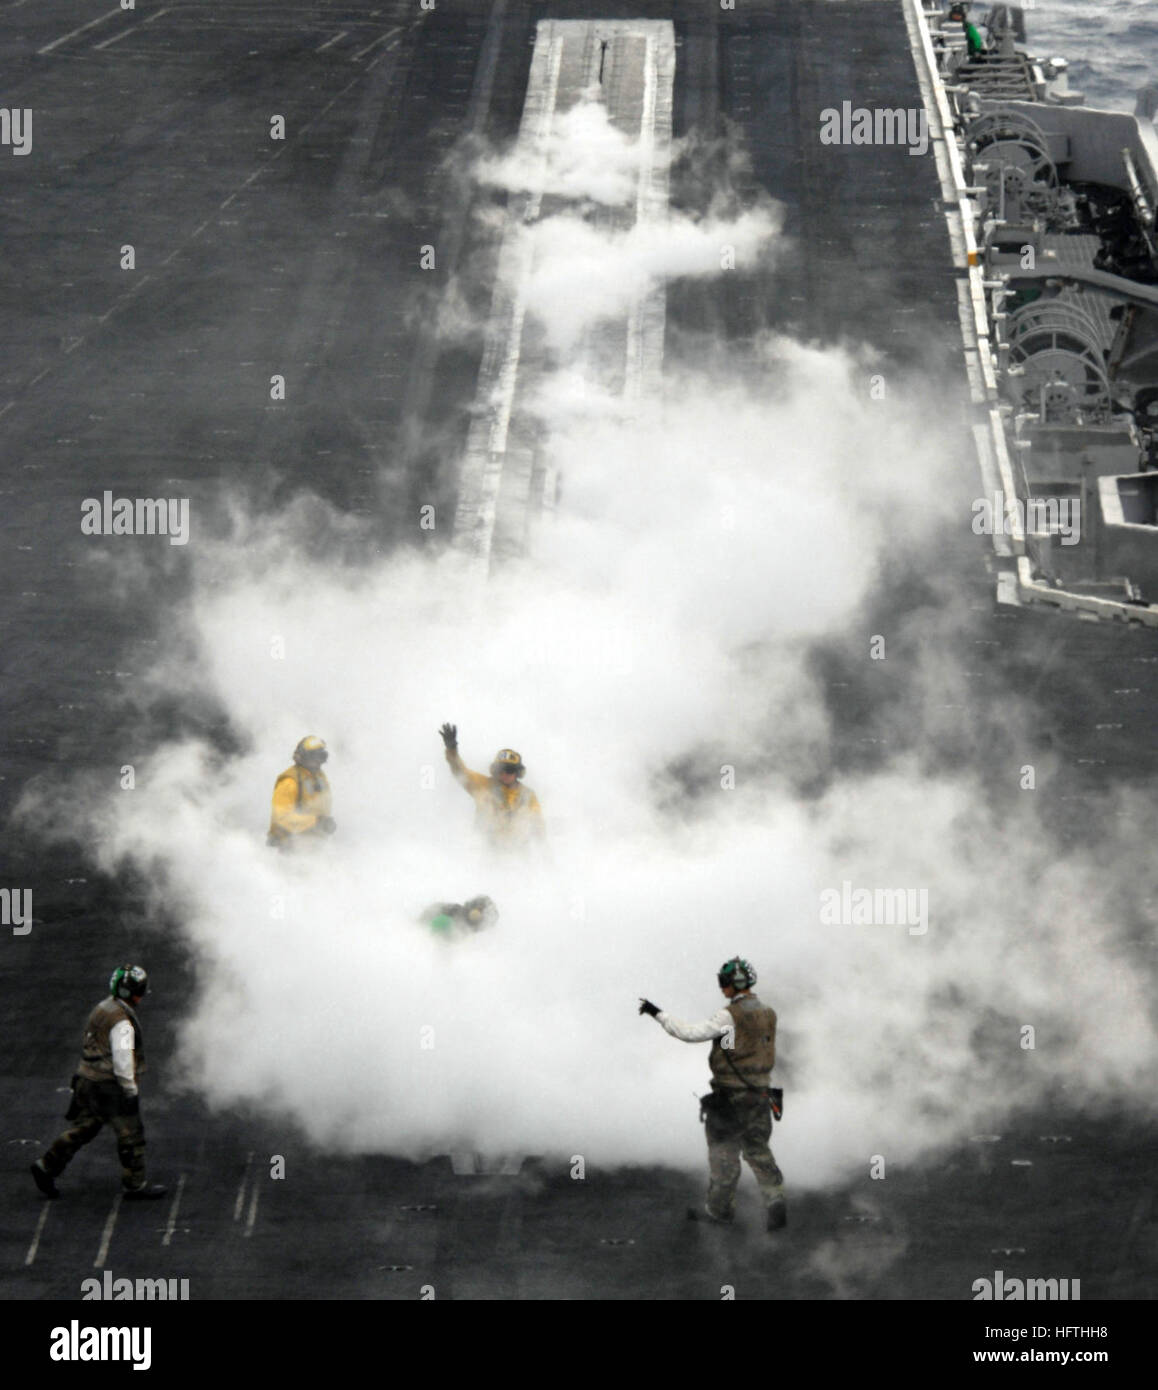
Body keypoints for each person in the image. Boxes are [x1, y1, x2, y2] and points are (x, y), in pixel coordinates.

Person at [639, 957, 786, 1231]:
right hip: (760, 1095)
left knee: (724, 1157)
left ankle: (719, 1212)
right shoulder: (769, 1013)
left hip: (729, 1099)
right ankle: (775, 1199)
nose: (722, 989)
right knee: (758, 1151)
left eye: (723, 983)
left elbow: (689, 1033)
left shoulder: (728, 1015)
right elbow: (749, 1046)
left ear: (731, 984)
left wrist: (657, 1013)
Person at [31, 965, 166, 1200]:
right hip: (108, 1087)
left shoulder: (103, 1008)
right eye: (139, 991)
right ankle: (135, 1184)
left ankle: (47, 1165)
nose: (141, 996)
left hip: (86, 1080)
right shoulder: (122, 1022)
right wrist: (130, 1091)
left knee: (84, 1128)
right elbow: (123, 1062)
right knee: (131, 1135)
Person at [438, 723, 545, 851]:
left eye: (509, 770)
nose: (504, 774)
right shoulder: (483, 786)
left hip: (518, 855)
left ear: (517, 772)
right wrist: (452, 749)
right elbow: (460, 772)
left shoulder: (528, 795)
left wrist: (544, 855)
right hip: (486, 852)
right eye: (501, 769)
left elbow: (538, 824)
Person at [267, 735, 336, 849]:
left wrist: (326, 823)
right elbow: (282, 817)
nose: (318, 761)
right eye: (314, 756)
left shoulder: (319, 776)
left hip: (313, 842)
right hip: (288, 845)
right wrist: (316, 822)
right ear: (302, 757)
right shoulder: (290, 781)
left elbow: (322, 808)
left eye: (321, 756)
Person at [419, 895, 500, 939]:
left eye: (481, 912)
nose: (477, 913)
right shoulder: (453, 911)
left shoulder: (472, 936)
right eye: (478, 908)